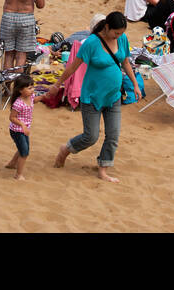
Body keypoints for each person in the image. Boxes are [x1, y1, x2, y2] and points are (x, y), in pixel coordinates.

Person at [51, 11, 141, 182]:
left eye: (121, 33)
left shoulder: (122, 39)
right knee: (90, 136)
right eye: (116, 33)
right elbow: (72, 67)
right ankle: (66, 149)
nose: (119, 36)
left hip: (113, 96)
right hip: (92, 96)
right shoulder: (92, 43)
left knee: (113, 135)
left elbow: (126, 62)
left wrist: (135, 85)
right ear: (107, 27)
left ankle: (103, 169)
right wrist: (57, 85)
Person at [5, 75, 35, 181]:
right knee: (24, 152)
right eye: (29, 88)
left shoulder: (30, 97)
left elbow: (34, 100)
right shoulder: (18, 103)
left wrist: (45, 97)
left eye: (32, 87)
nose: (32, 90)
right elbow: (12, 117)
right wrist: (22, 125)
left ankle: (12, 163)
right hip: (17, 131)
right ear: (21, 90)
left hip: (24, 130)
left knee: (23, 147)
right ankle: (18, 175)